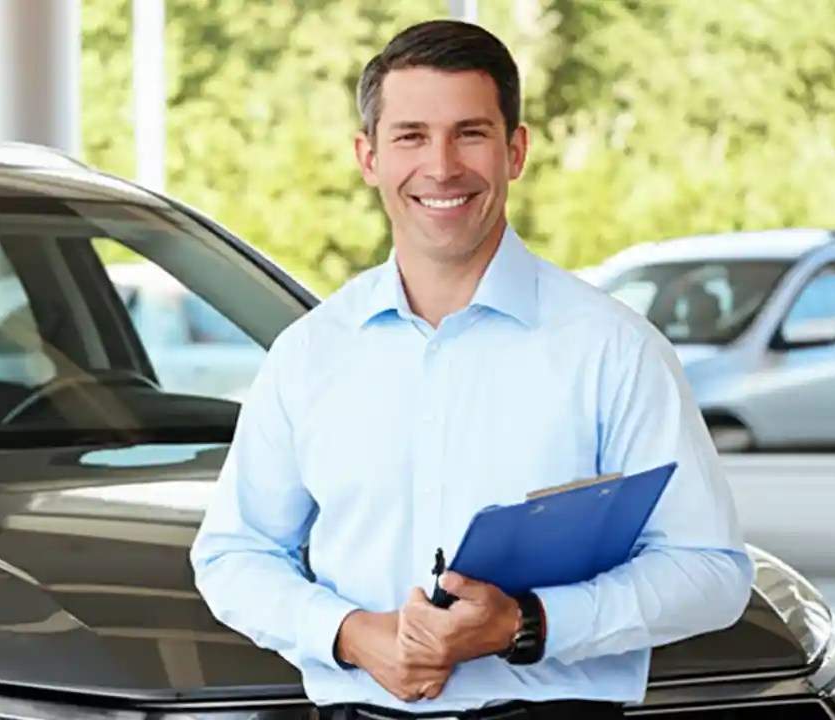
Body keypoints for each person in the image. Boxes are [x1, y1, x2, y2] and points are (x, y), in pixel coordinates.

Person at [189, 18, 754, 720]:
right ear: (369, 158)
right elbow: (232, 556)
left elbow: (711, 572)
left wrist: (528, 623)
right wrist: (349, 635)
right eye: (411, 136)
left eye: (471, 133)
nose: (442, 166)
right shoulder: (310, 353)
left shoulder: (613, 348)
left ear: (515, 151)